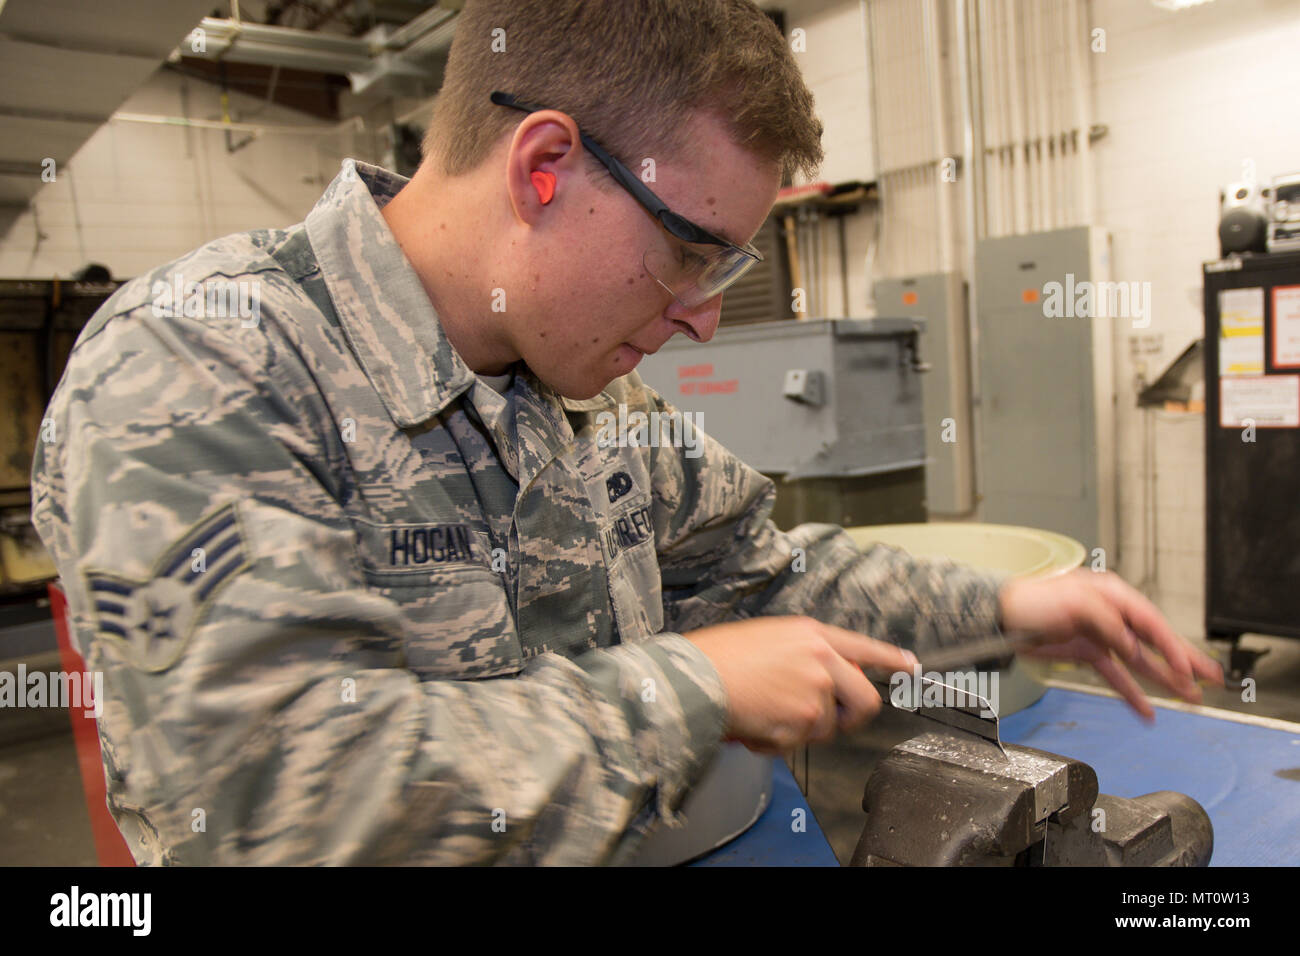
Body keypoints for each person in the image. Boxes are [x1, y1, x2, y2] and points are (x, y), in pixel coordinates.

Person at [31, 0, 1221, 865]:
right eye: (691, 250)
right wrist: (685, 689)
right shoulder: (202, 360)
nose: (705, 311)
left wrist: (1004, 610)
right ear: (545, 166)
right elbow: (273, 800)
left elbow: (765, 577)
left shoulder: (588, 393)